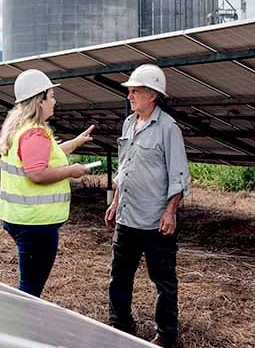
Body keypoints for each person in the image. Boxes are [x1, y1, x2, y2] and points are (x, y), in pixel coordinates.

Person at [105, 64, 190, 348]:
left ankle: (165, 335)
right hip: (127, 216)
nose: (130, 95)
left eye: (136, 90)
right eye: (129, 90)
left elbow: (179, 175)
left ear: (152, 95)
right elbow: (124, 168)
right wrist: (116, 202)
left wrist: (170, 212)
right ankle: (120, 323)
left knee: (163, 281)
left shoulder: (168, 129)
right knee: (119, 275)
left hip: (155, 221)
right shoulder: (129, 123)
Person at [0, 68, 95, 297]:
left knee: (30, 284)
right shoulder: (35, 133)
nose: (54, 101)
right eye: (51, 96)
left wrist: (76, 143)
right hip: (35, 223)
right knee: (30, 289)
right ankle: (22, 328)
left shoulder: (22, 130)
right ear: (40, 100)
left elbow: (41, 157)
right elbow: (37, 173)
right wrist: (71, 170)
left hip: (21, 217)